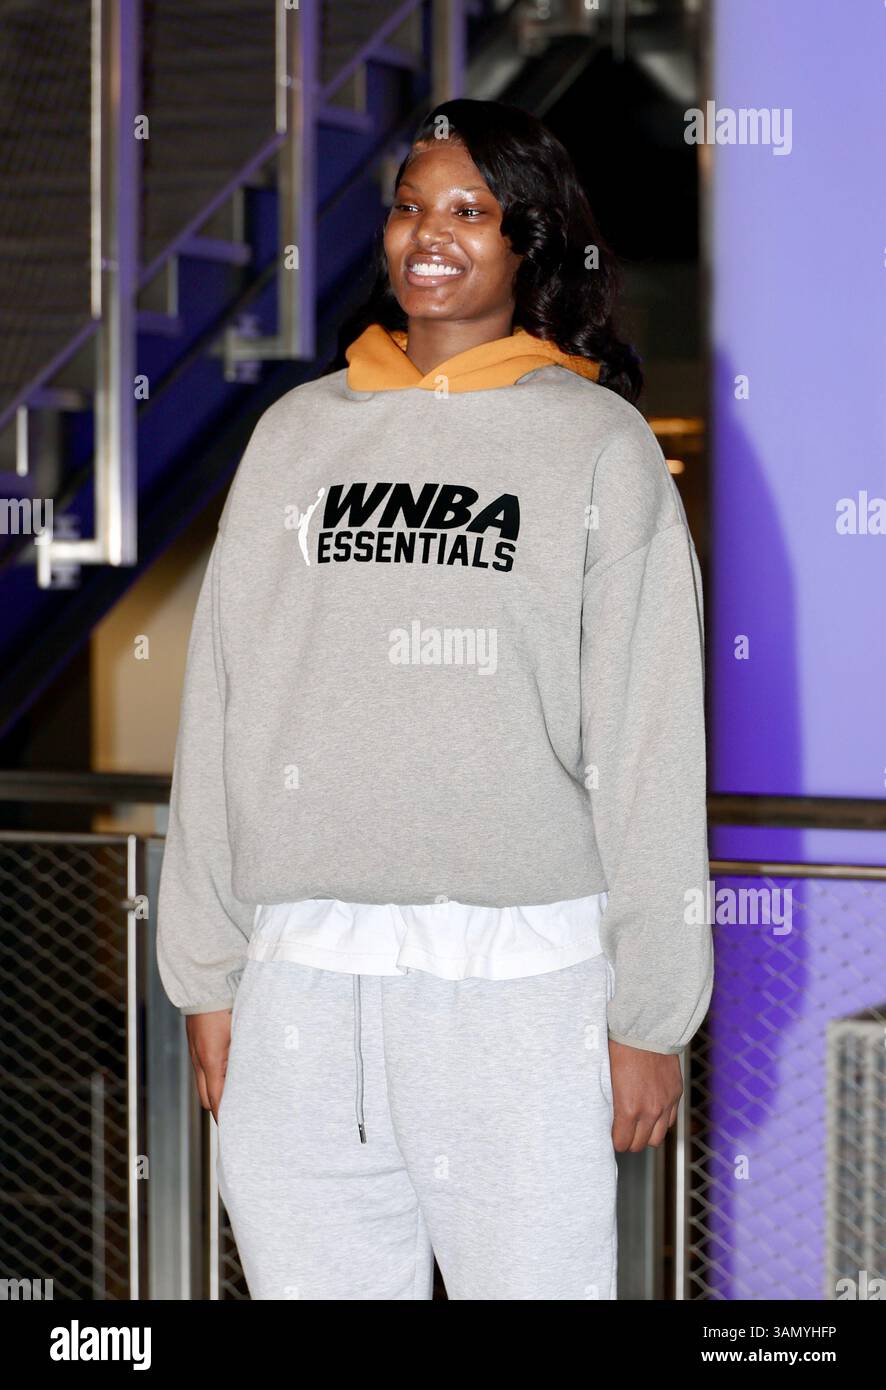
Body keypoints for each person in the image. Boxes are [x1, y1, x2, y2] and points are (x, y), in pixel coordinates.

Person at [156, 97, 713, 1302]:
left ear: (529, 241)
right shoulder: (296, 436)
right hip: (300, 984)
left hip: (526, 991)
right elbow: (220, 709)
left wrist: (653, 1010)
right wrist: (205, 971)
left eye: (470, 210)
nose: (431, 233)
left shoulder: (596, 447)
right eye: (411, 206)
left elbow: (648, 734)